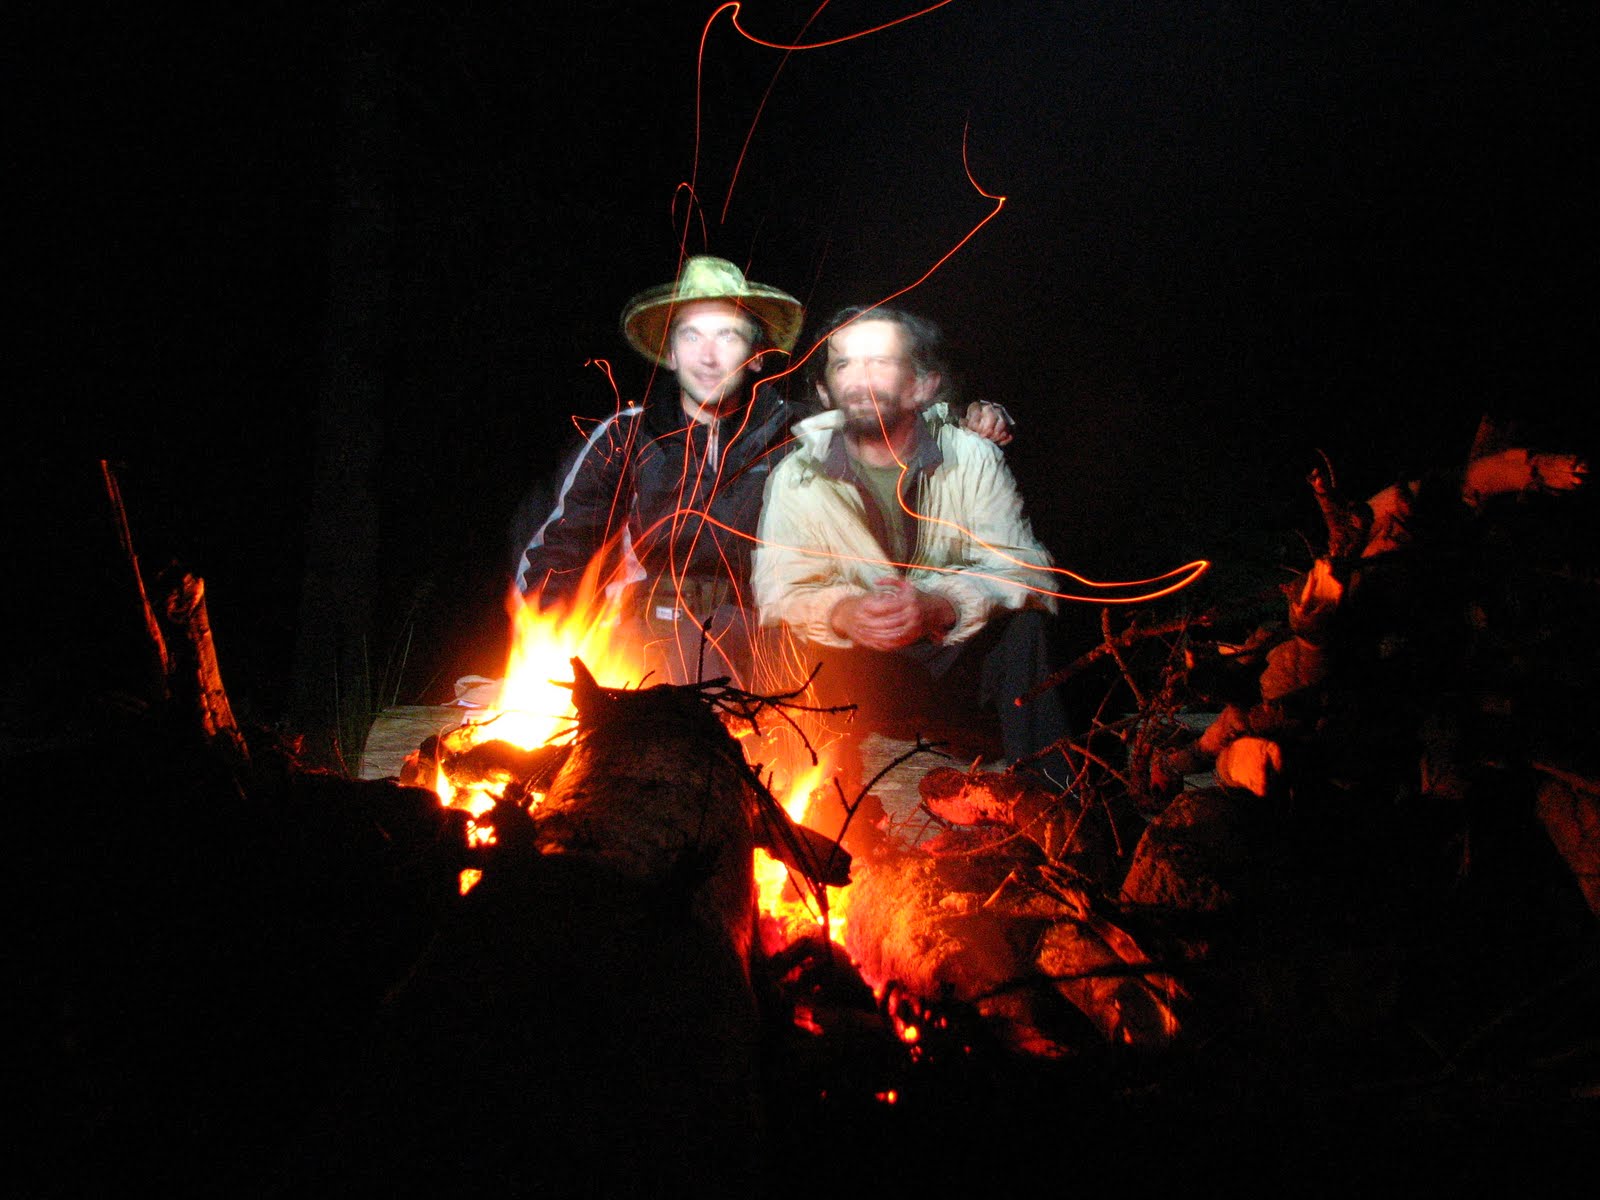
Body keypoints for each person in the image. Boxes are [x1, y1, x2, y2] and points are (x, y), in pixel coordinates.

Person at [511, 257, 1018, 688]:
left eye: (728, 336)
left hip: (768, 644)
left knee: (1008, 621)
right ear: (669, 354)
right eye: (692, 336)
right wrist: (549, 657)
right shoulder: (623, 438)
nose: (708, 357)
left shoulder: (801, 431)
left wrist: (970, 416)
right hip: (649, 638)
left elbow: (892, 420)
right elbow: (558, 554)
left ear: (756, 356)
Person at [752, 305, 1068, 766]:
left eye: (880, 361)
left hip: (954, 658)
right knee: (783, 637)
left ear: (922, 385)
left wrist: (941, 605)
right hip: (862, 671)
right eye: (844, 364)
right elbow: (779, 592)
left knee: (1026, 626)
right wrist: (843, 611)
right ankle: (803, 795)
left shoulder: (973, 457)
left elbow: (1029, 572)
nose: (861, 378)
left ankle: (1053, 796)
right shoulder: (797, 476)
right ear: (824, 389)